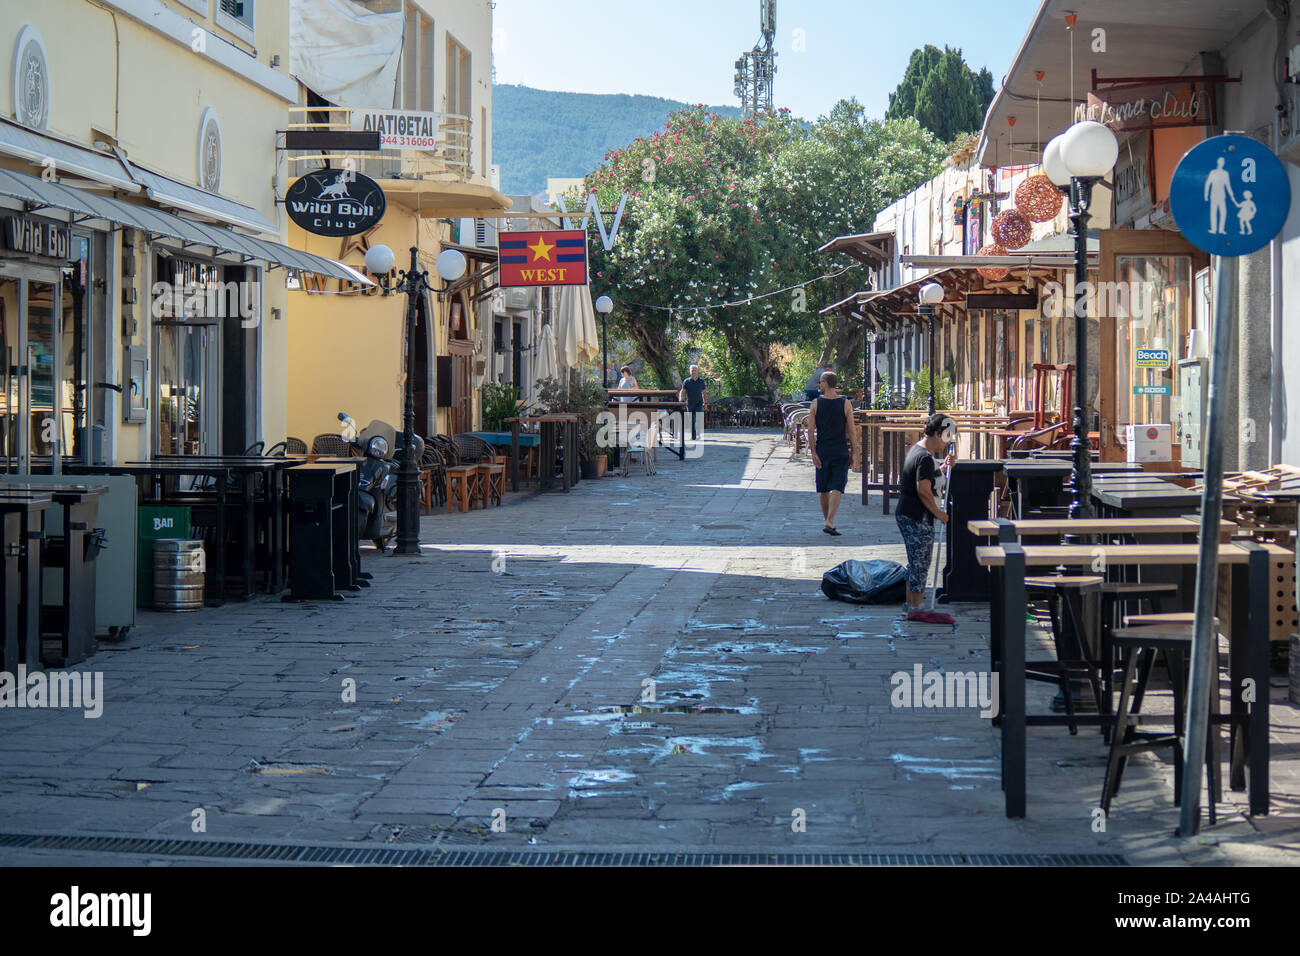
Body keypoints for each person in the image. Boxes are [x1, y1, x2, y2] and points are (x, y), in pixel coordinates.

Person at [896, 413, 956, 610]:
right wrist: (939, 513)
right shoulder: (924, 458)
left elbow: (930, 478)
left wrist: (945, 467)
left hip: (908, 513)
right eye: (947, 437)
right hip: (916, 515)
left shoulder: (920, 452)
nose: (947, 444)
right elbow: (923, 490)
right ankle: (917, 605)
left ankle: (910, 603)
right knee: (920, 560)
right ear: (938, 434)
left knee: (916, 560)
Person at [807, 371, 857, 535]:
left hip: (823, 450)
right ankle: (830, 520)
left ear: (826, 383)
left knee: (823, 487)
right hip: (840, 449)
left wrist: (813, 452)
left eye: (821, 382)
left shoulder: (815, 404)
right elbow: (851, 430)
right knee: (837, 486)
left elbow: (810, 430)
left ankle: (828, 520)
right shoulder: (846, 404)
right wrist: (854, 452)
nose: (819, 384)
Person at [678, 365, 707, 441]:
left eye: (694, 370)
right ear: (690, 372)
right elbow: (682, 391)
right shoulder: (687, 381)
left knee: (698, 418)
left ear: (697, 371)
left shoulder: (701, 381)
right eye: (692, 370)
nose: (693, 372)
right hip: (690, 403)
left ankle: (698, 435)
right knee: (691, 420)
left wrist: (705, 403)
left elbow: (704, 392)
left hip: (699, 403)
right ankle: (693, 436)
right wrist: (681, 400)